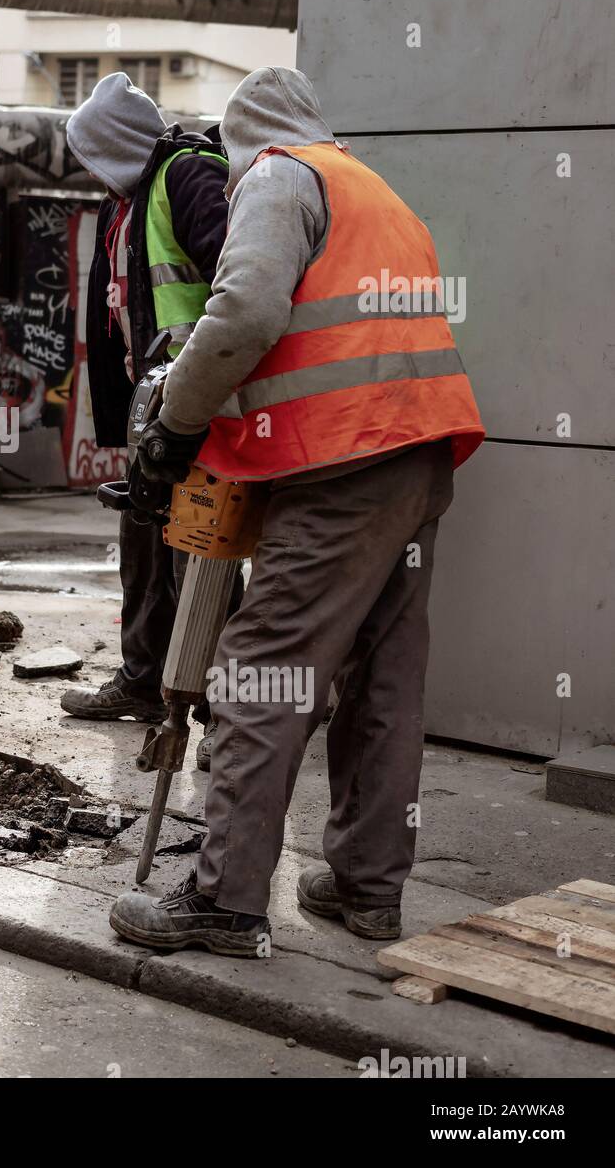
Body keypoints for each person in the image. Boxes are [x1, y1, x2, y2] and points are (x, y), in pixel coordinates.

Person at [109, 67, 484, 957]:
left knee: (262, 663)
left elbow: (243, 312)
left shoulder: (278, 176)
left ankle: (227, 900)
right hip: (417, 452)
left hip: (343, 461)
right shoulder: (377, 192)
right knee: (382, 673)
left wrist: (177, 424)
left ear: (241, 145)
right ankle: (367, 885)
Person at [58, 72, 233, 747]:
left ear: (114, 148)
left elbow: (237, 279)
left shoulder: (188, 177)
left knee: (201, 552)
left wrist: (194, 386)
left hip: (200, 403)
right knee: (144, 540)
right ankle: (141, 681)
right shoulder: (122, 201)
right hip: (153, 405)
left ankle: (222, 708)